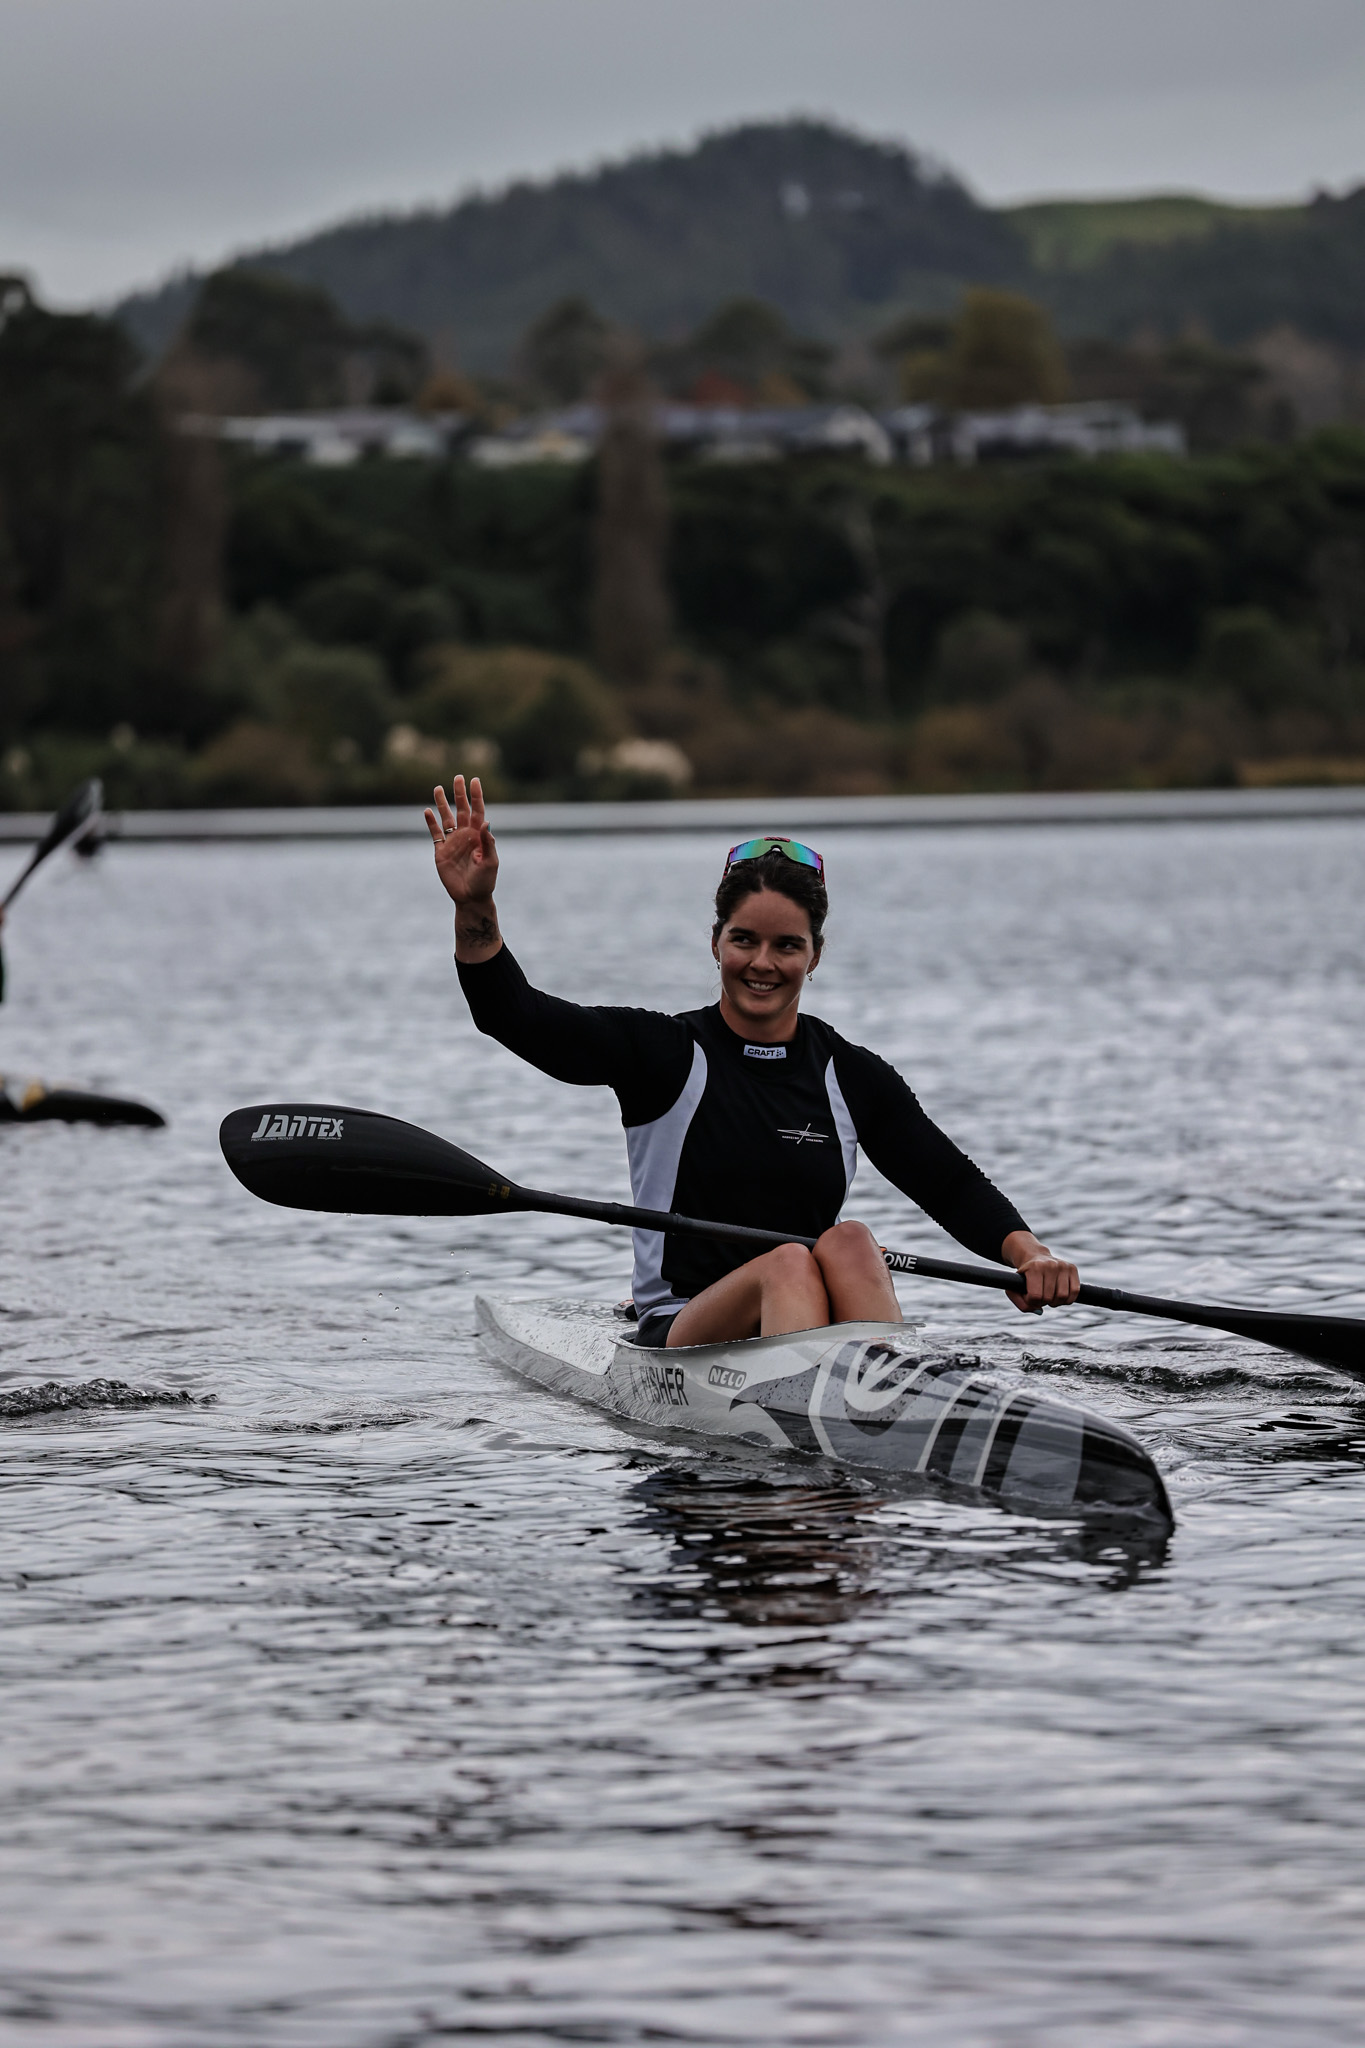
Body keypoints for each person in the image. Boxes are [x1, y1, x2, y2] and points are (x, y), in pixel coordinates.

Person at [427, 776, 1079, 1348]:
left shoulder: (848, 1074)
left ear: (813, 956)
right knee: (788, 1262)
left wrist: (1029, 1254)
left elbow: (947, 1183)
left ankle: (882, 1388)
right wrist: (474, 908)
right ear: (715, 943)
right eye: (744, 939)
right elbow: (513, 1016)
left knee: (849, 1240)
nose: (762, 963)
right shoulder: (663, 1054)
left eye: (785, 945)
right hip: (681, 1327)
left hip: (810, 1332)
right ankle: (843, 1401)